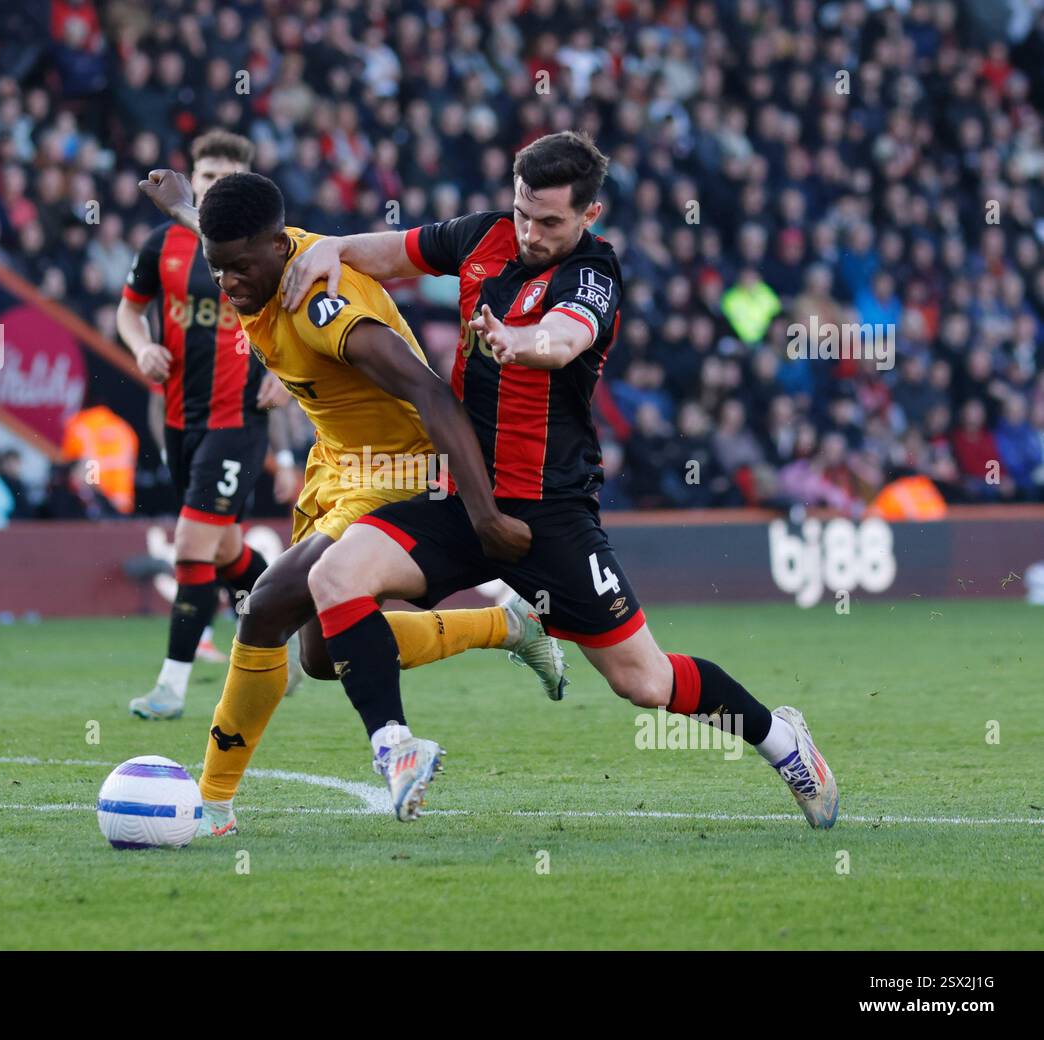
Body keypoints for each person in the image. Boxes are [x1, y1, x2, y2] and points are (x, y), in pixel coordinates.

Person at [287, 131, 839, 829]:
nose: (529, 232)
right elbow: (391, 251)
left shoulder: (593, 276)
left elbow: (565, 337)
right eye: (522, 211)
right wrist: (330, 247)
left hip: (549, 517)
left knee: (645, 683)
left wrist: (520, 342)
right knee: (333, 579)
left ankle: (784, 742)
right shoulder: (483, 235)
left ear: (589, 216)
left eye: (549, 221)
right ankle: (396, 748)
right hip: (462, 499)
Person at [139, 167, 567, 833]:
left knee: (266, 607)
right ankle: (508, 626)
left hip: (396, 469)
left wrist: (483, 515)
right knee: (320, 656)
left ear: (278, 249)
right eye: (215, 269)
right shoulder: (253, 256)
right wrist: (184, 207)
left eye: (235, 270)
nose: (226, 285)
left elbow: (430, 393)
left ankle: (213, 804)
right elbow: (226, 243)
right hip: (335, 464)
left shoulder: (318, 305)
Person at [117, 130, 291, 720]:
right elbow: (129, 309)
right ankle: (281, 639)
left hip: (239, 417)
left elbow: (300, 315)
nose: (212, 186)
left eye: (224, 177)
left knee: (192, 543)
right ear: (191, 179)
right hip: (177, 420)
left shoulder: (267, 249)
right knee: (226, 549)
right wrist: (140, 347)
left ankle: (171, 686)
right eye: (205, 175)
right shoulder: (161, 245)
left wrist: (287, 376)